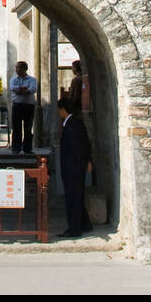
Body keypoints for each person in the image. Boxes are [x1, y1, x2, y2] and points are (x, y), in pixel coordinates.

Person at [57, 96, 92, 237]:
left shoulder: (72, 126)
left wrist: (84, 163)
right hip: (75, 167)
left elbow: (79, 147)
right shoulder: (74, 123)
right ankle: (84, 224)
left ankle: (75, 228)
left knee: (73, 199)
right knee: (77, 197)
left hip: (73, 168)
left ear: (63, 110)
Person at [8, 61, 37, 155]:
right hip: (17, 105)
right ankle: (16, 148)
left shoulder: (32, 79)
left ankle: (27, 148)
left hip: (29, 106)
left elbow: (33, 89)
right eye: (16, 68)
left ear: (25, 69)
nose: (17, 70)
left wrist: (21, 90)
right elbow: (13, 88)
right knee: (16, 128)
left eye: (19, 68)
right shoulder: (13, 79)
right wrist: (24, 89)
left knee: (28, 128)